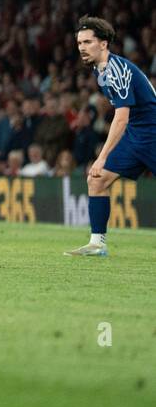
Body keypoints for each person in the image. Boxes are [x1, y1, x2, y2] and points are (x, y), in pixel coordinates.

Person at [66, 15, 156, 256]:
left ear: (103, 44)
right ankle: (97, 243)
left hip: (152, 132)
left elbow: (121, 117)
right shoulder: (100, 69)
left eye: (87, 42)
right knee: (97, 181)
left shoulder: (116, 69)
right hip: (137, 134)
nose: (82, 48)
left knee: (98, 170)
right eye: (79, 43)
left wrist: (102, 156)